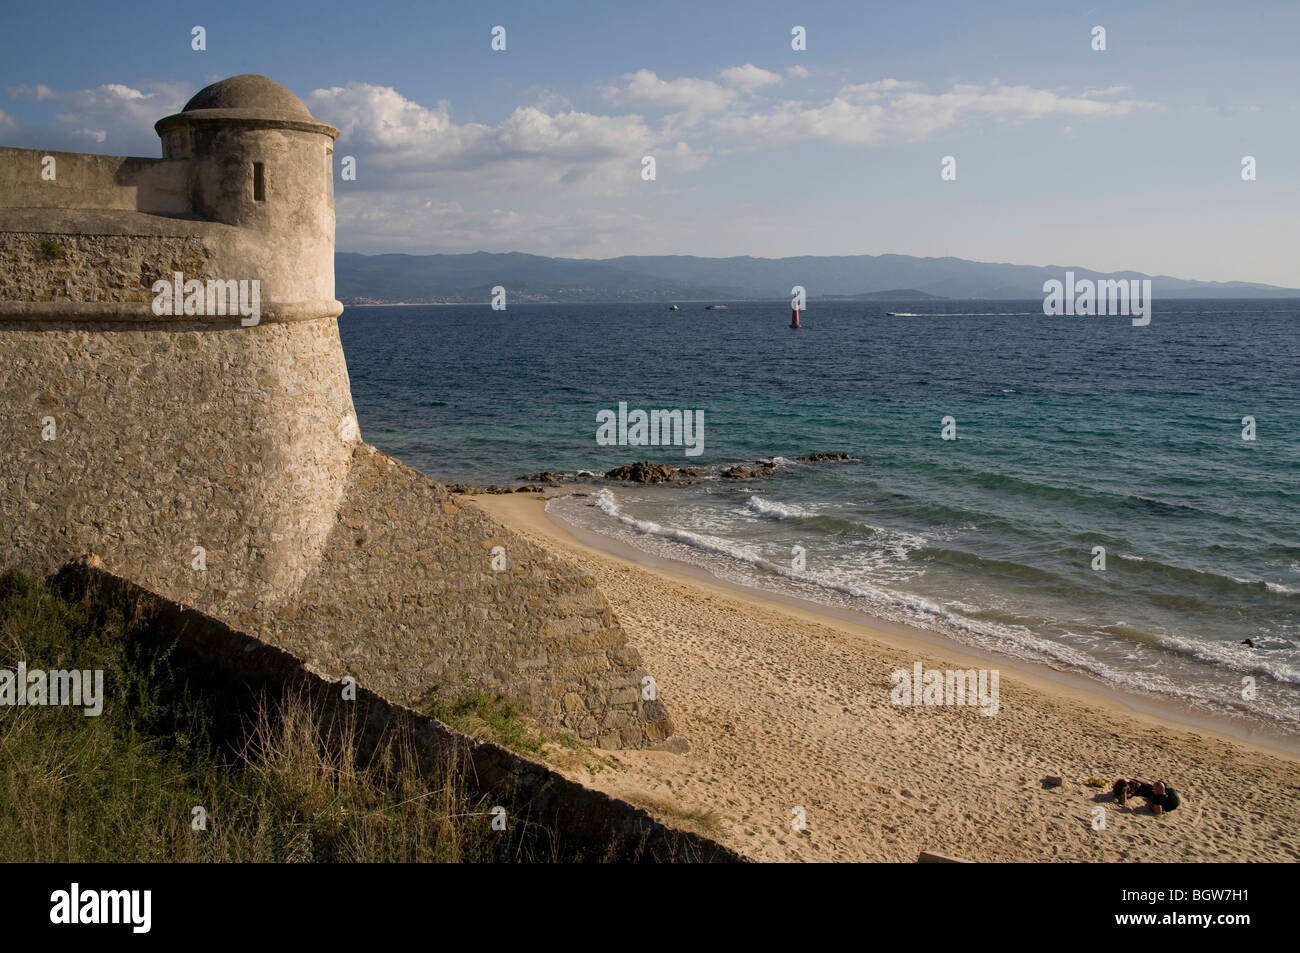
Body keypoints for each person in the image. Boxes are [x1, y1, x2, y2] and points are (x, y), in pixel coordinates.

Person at [1112, 778, 1180, 813]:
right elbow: (1123, 802)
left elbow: (1158, 811)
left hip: (1169, 799)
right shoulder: (1160, 794)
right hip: (1170, 797)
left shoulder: (1157, 797)